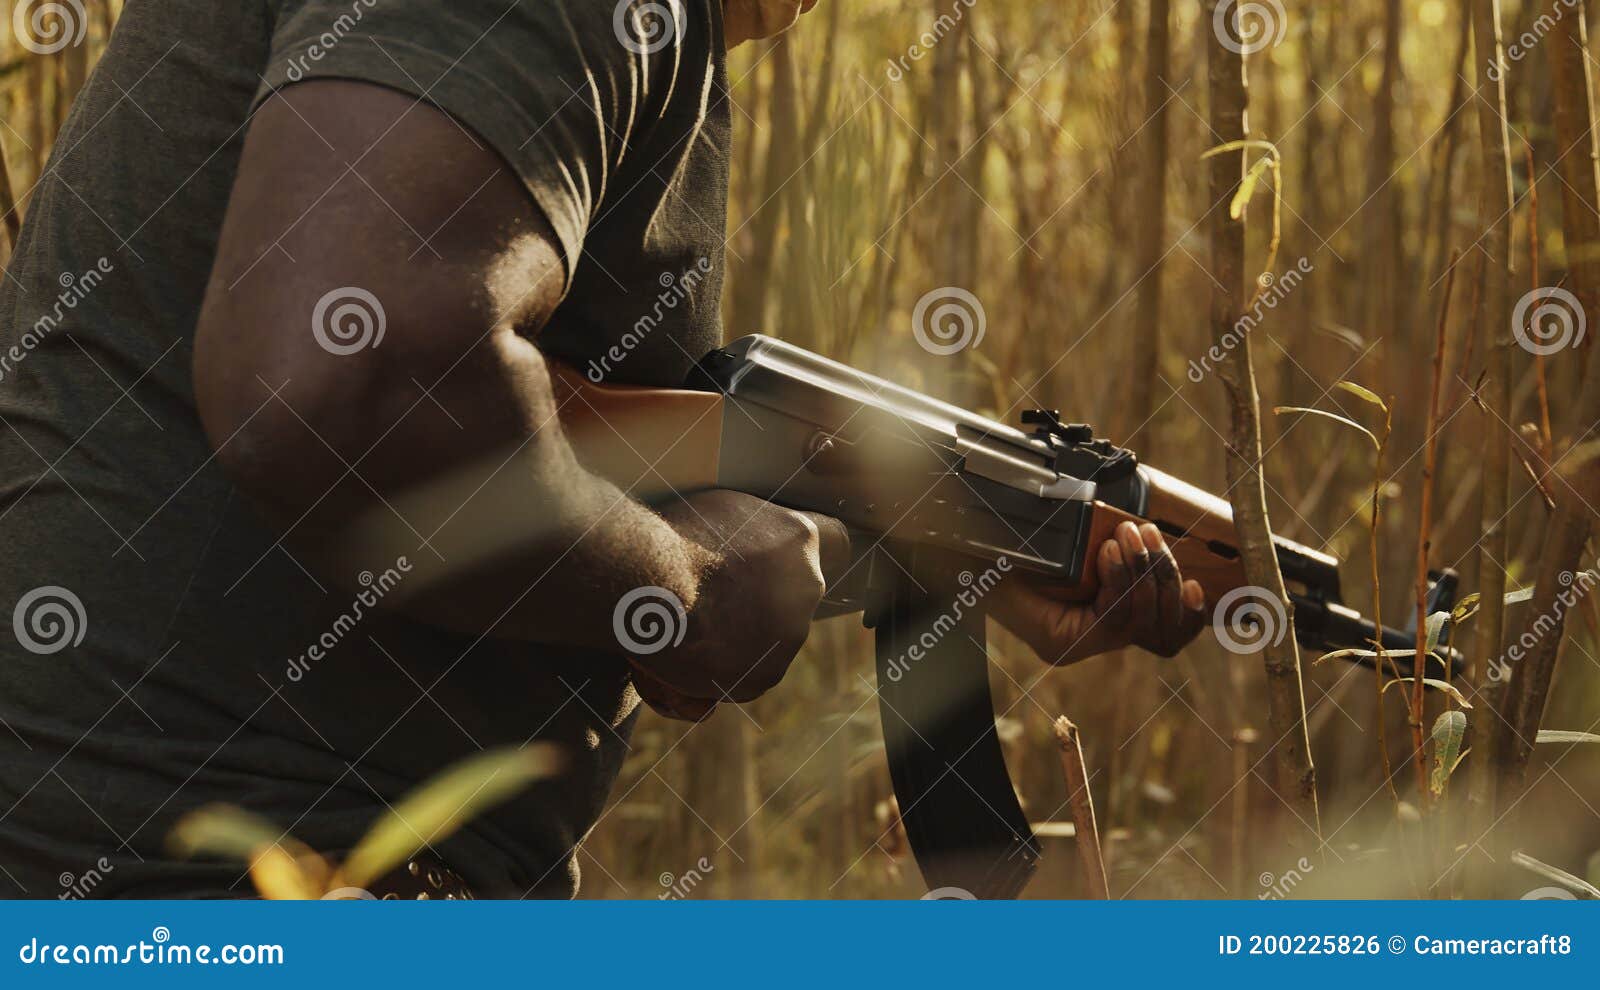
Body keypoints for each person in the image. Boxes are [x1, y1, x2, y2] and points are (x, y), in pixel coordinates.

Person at [0, 0, 1206, 899]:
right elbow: (348, 380)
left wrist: (969, 544)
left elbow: (538, 438)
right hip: (237, 875)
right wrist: (689, 592)